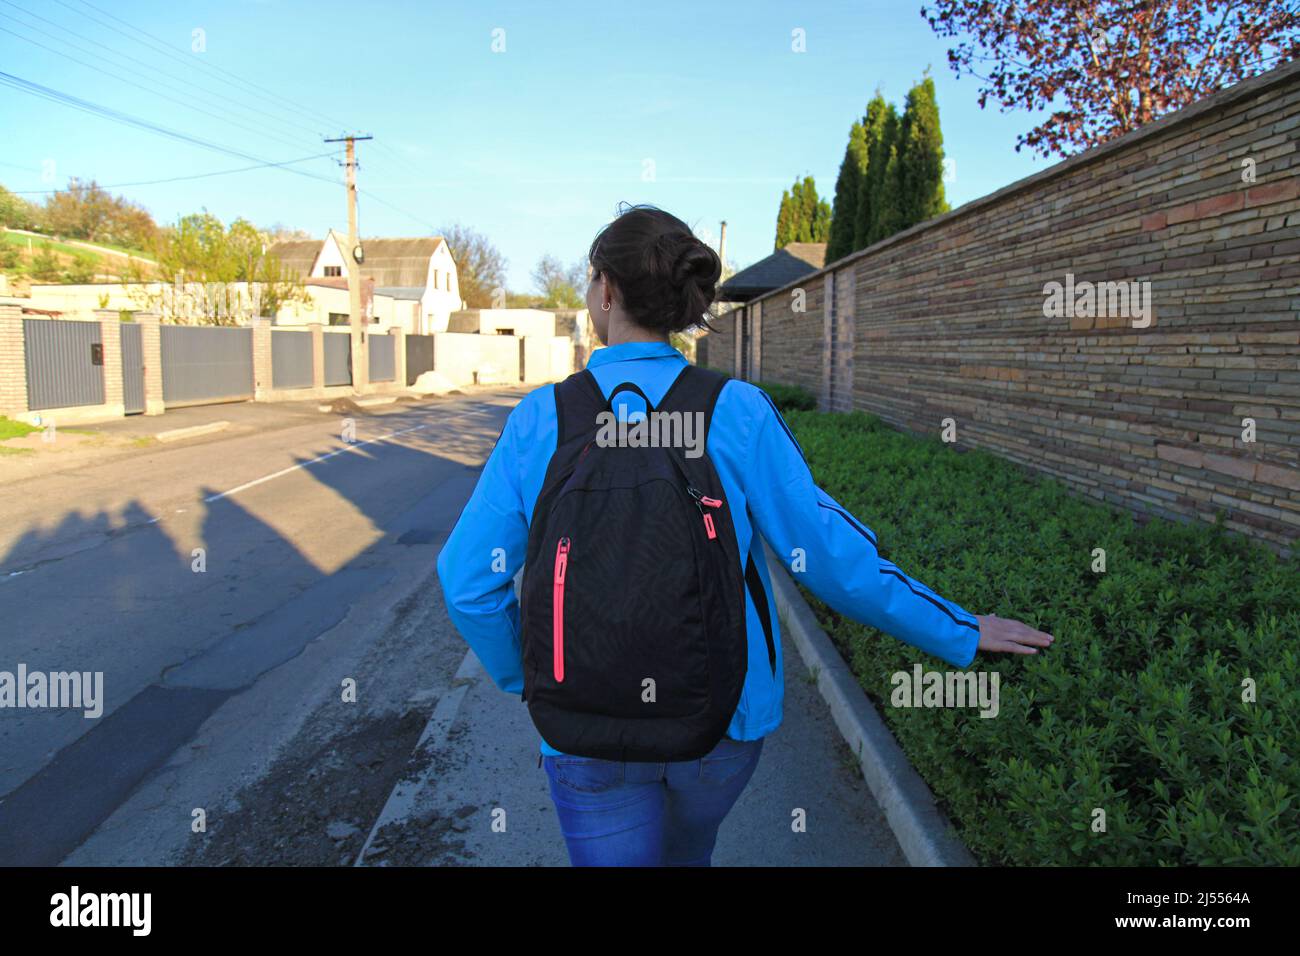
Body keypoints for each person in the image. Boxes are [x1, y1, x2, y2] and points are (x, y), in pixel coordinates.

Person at [436, 203, 1053, 867]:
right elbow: (826, 556)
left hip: (584, 725)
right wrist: (958, 628)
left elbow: (468, 581)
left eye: (591, 281)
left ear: (606, 291)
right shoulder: (735, 410)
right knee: (689, 855)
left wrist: (528, 677)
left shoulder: (541, 419)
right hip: (723, 718)